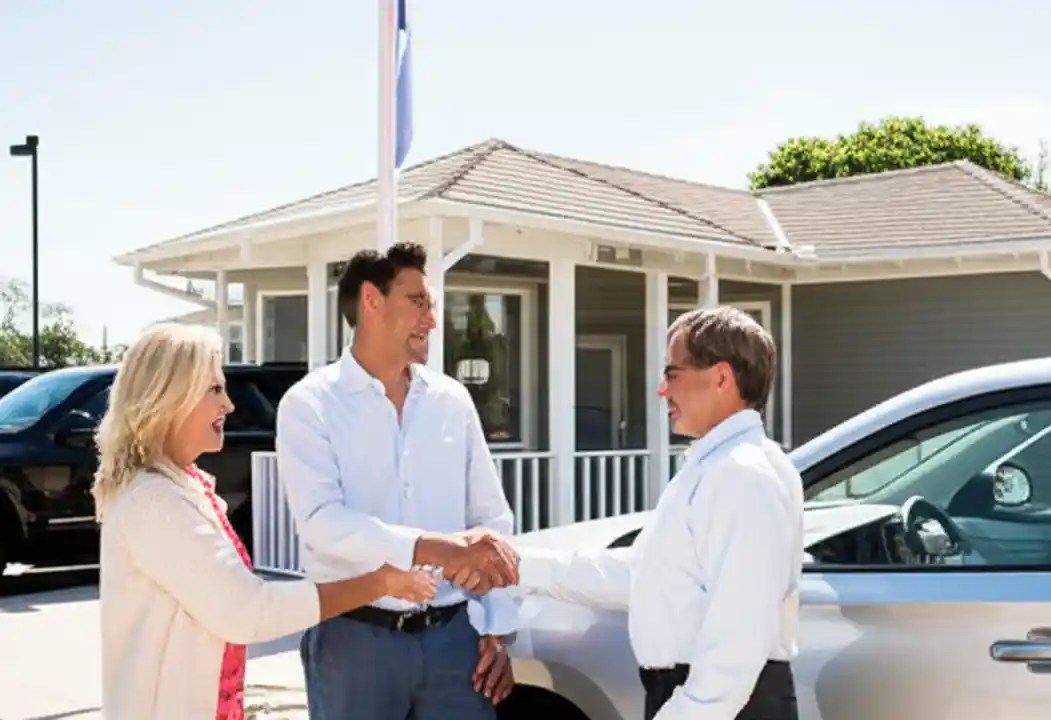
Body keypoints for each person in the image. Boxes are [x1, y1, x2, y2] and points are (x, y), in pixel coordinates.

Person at [94, 323, 438, 720]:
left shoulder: (178, 487)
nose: (229, 405)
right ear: (171, 398)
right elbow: (249, 612)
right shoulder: (154, 502)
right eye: (214, 389)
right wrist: (378, 582)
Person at [517, 306, 804, 720]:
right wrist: (517, 566)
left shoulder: (740, 474)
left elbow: (738, 639)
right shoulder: (723, 466)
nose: (662, 391)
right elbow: (647, 576)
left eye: (672, 374)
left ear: (721, 377)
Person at [275, 241, 522, 720]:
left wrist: (498, 626)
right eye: (418, 302)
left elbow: (491, 519)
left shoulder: (452, 401)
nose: (431, 319)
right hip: (352, 644)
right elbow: (322, 524)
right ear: (371, 300)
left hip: (457, 644)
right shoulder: (309, 406)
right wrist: (437, 548)